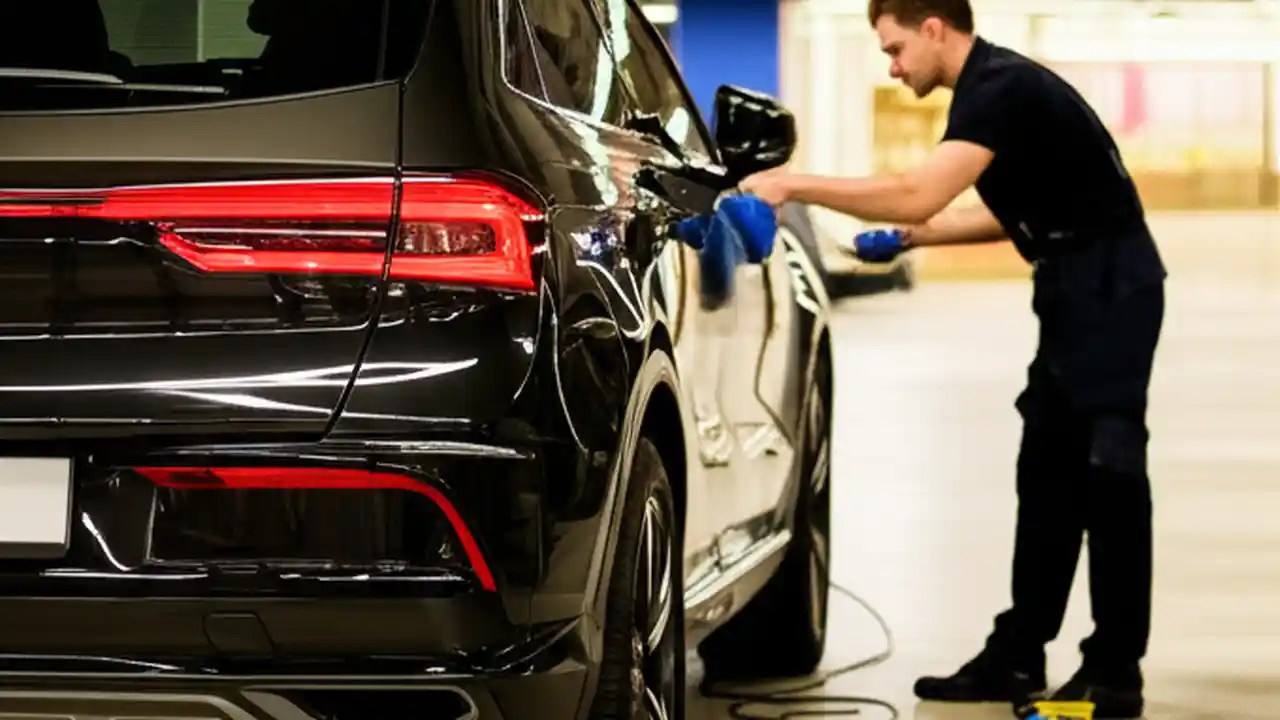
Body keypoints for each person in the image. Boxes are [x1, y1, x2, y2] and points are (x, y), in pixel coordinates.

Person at [740, 1, 1166, 718]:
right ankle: (1019, 653)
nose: (894, 65)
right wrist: (913, 242)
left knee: (1108, 477)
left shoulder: (999, 89)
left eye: (896, 48)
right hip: (1077, 284)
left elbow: (918, 190)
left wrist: (790, 184)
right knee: (1048, 475)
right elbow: (1020, 210)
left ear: (935, 27)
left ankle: (1115, 670)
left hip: (1109, 289)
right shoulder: (995, 91)